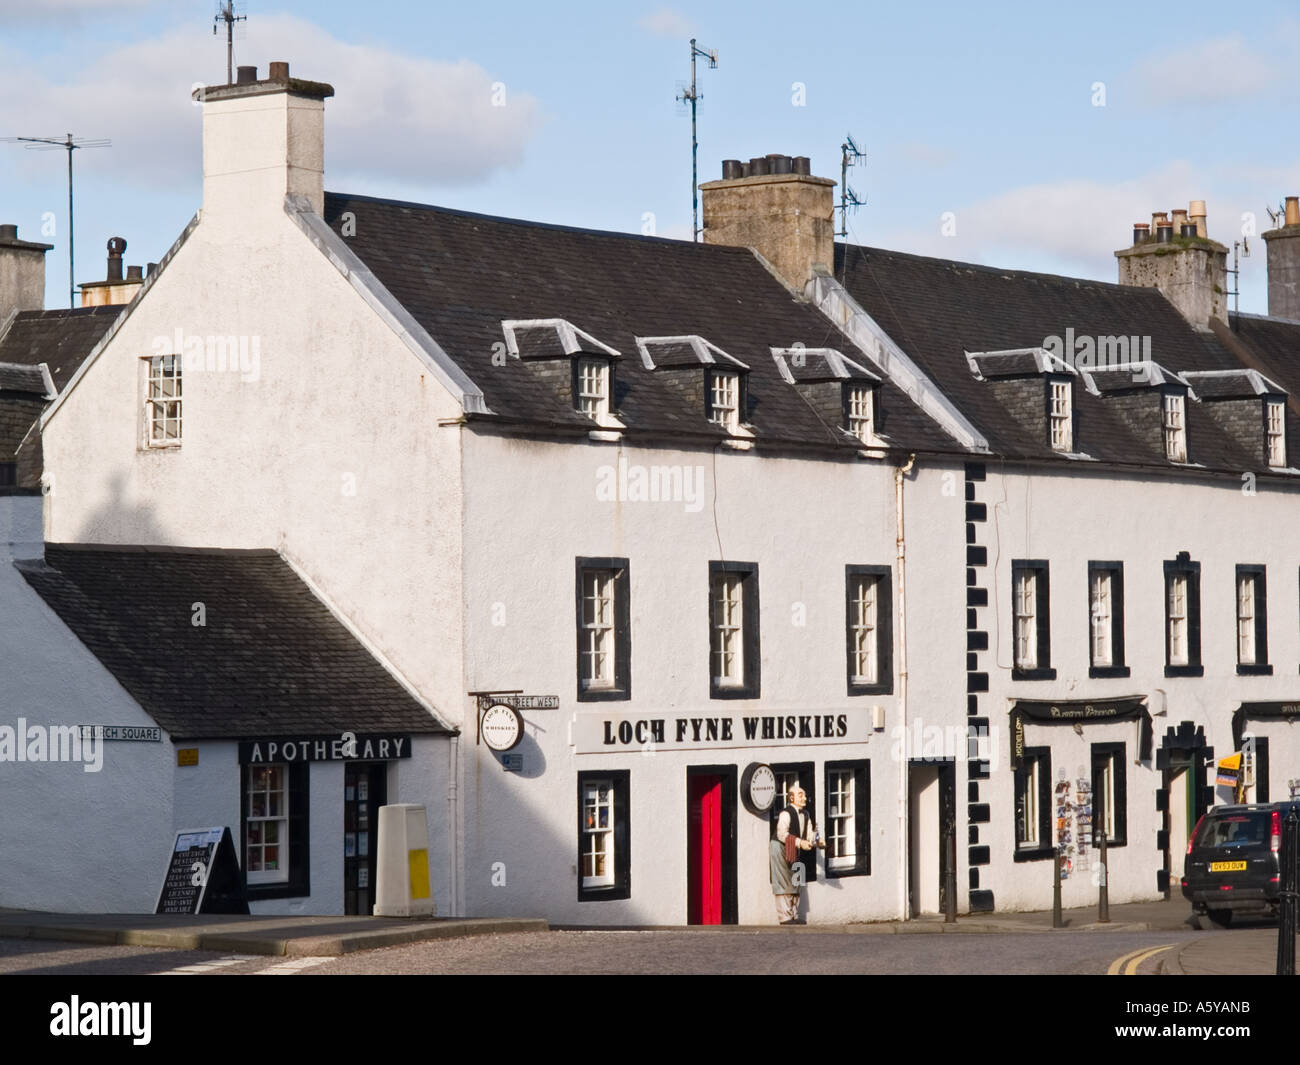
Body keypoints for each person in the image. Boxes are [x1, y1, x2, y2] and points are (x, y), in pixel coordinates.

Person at [770, 784, 819, 924]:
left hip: (795, 849)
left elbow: (809, 835)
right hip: (780, 848)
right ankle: (785, 917)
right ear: (791, 798)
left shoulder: (806, 815)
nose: (804, 798)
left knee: (798, 879)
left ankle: (794, 914)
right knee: (784, 880)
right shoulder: (785, 813)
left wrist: (816, 841)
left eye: (804, 795)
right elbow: (781, 834)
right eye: (800, 795)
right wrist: (800, 842)